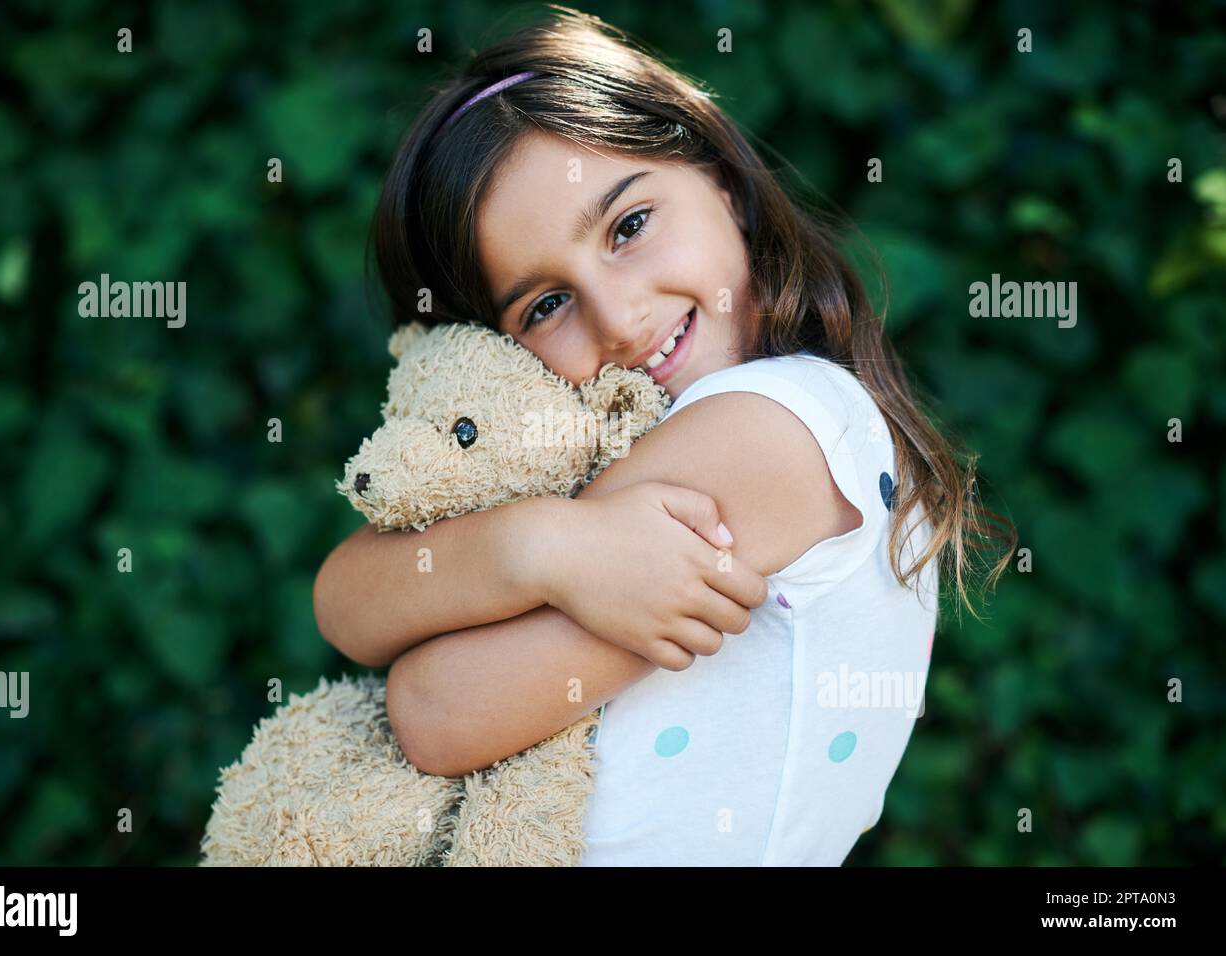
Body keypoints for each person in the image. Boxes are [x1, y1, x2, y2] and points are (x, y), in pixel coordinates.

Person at [313, 8, 1015, 865]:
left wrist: (522, 555)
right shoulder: (624, 467)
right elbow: (343, 599)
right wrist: (542, 544)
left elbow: (433, 711)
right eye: (544, 305)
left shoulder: (771, 431)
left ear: (722, 178)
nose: (618, 317)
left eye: (629, 226)